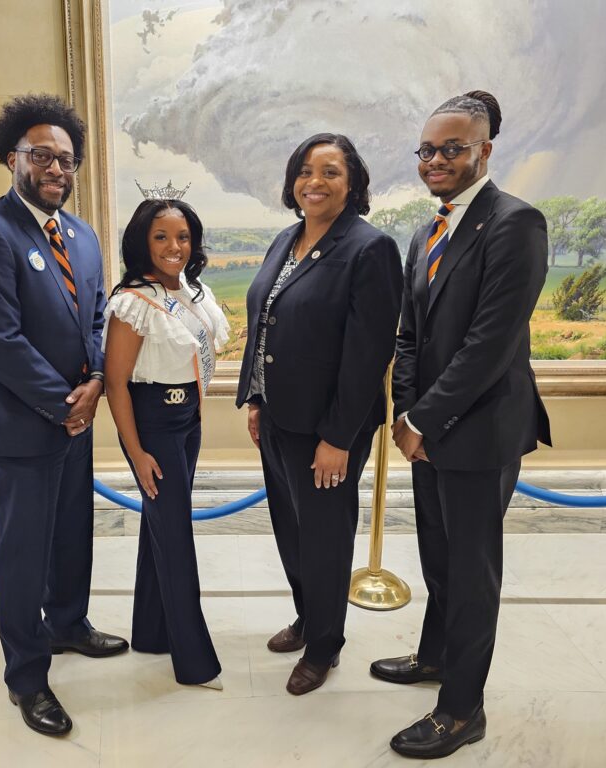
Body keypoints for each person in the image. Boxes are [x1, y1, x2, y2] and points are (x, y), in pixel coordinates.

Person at [370, 91, 552, 760]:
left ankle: (461, 710)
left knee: (472, 574)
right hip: (428, 432)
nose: (437, 160)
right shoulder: (428, 231)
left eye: (453, 148)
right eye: (427, 149)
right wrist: (407, 413)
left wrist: (423, 416)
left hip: (479, 434)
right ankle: (436, 657)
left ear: (484, 151)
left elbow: (490, 343)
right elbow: (411, 333)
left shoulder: (515, 223)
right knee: (440, 560)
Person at [0, 93, 128, 737]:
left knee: (71, 530)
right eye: (42, 156)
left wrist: (96, 385)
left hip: (74, 416)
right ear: (11, 158)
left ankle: (70, 624)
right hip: (18, 425)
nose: (56, 168)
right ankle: (26, 677)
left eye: (66, 159)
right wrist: (64, 402)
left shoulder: (79, 236)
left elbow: (97, 317)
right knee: (24, 551)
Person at [235, 134, 403, 696]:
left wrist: (337, 436)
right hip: (279, 418)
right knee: (292, 531)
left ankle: (326, 645)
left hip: (329, 429)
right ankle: (308, 618)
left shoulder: (368, 248)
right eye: (306, 171)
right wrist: (256, 397)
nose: (315, 181)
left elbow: (368, 352)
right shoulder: (286, 239)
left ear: (352, 182)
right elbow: (266, 325)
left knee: (326, 538)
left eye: (330, 172)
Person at [103, 198, 229, 690]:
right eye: (161, 237)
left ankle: (152, 632)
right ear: (142, 242)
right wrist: (135, 454)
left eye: (182, 236)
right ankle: (194, 660)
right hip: (152, 426)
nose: (174, 247)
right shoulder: (133, 301)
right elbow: (116, 384)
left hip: (187, 421)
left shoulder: (194, 291)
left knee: (161, 526)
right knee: (175, 536)